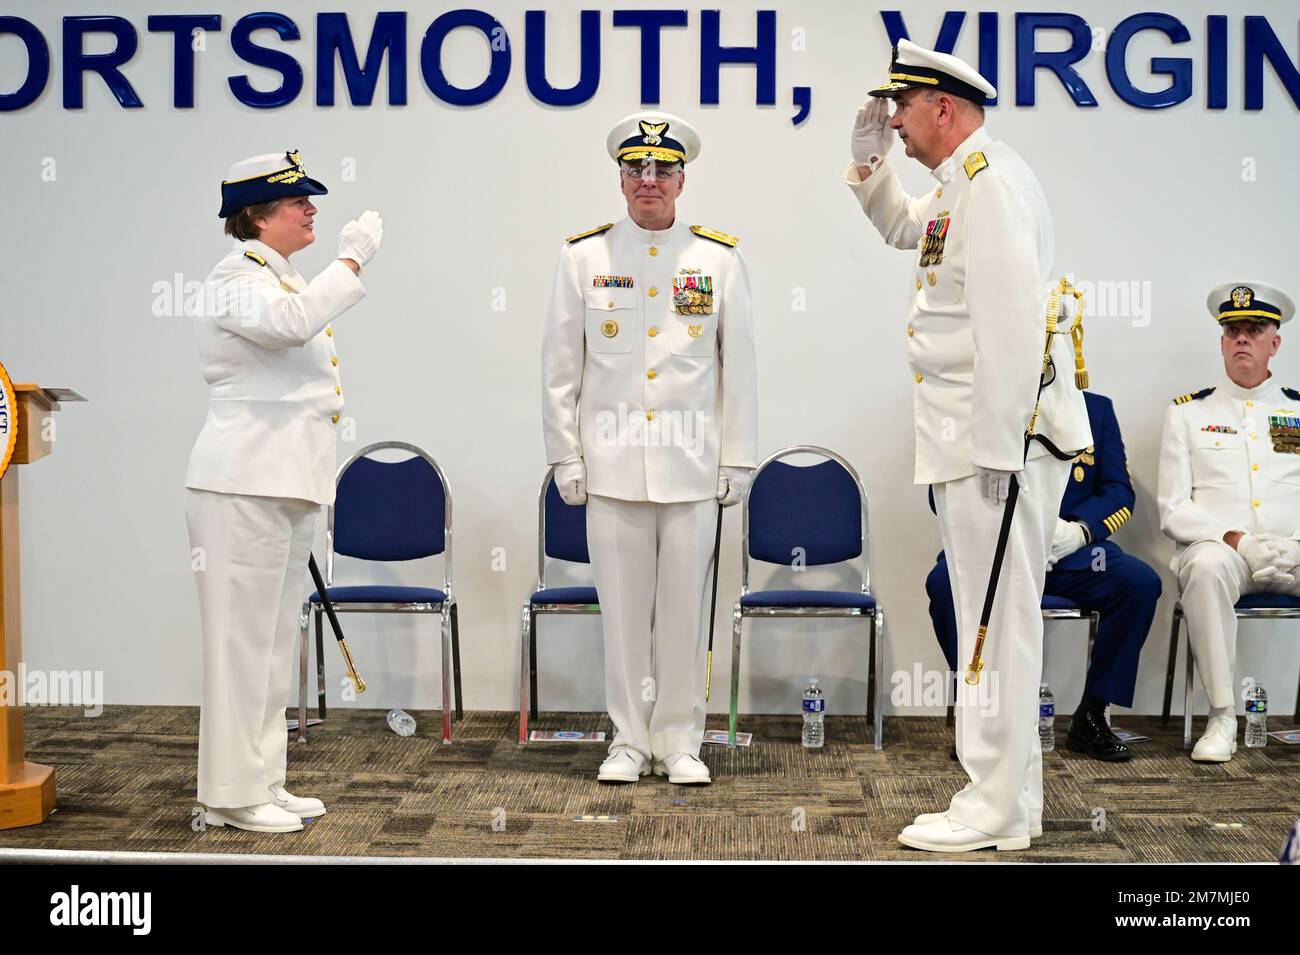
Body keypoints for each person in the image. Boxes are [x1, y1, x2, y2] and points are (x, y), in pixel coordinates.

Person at [844, 39, 1091, 851]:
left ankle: (993, 804)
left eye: (903, 109)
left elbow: (1013, 330)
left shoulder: (991, 187)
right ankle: (1010, 798)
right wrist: (872, 166)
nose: (896, 121)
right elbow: (903, 229)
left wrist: (996, 451)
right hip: (974, 443)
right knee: (997, 616)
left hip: (996, 449)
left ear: (942, 108)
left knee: (996, 621)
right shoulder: (960, 185)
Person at [541, 112, 758, 785]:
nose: (649, 180)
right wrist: (565, 456)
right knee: (624, 618)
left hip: (691, 469)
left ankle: (680, 739)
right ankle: (629, 740)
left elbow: (739, 369)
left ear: (682, 180)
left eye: (663, 170)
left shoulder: (717, 259)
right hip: (612, 470)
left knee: (686, 616)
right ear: (621, 178)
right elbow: (560, 369)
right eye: (636, 168)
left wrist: (738, 457)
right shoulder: (584, 258)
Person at [185, 150, 382, 831]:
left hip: (285, 480)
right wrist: (351, 260)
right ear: (260, 215)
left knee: (272, 645)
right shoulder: (234, 276)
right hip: (242, 481)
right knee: (239, 645)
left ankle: (263, 777)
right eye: (298, 201)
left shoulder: (281, 276)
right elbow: (289, 325)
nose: (311, 210)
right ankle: (229, 794)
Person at [926, 391, 1162, 761]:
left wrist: (1081, 531)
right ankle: (981, 717)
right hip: (997, 549)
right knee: (944, 584)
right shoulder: (978, 401)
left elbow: (1118, 490)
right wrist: (1007, 531)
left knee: (1138, 584)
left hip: (1072, 554)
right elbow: (941, 491)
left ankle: (1092, 714)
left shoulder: (1094, 409)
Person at [1157, 281, 1300, 763]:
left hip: (1293, 551)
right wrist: (1237, 540)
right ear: (1221, 342)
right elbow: (1173, 507)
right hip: (1227, 555)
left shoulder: (1297, 410)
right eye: (1233, 330)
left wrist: (1295, 545)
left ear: (1274, 343)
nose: (1242, 338)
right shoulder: (1187, 414)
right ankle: (1222, 716)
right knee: (1203, 567)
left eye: (1254, 330)